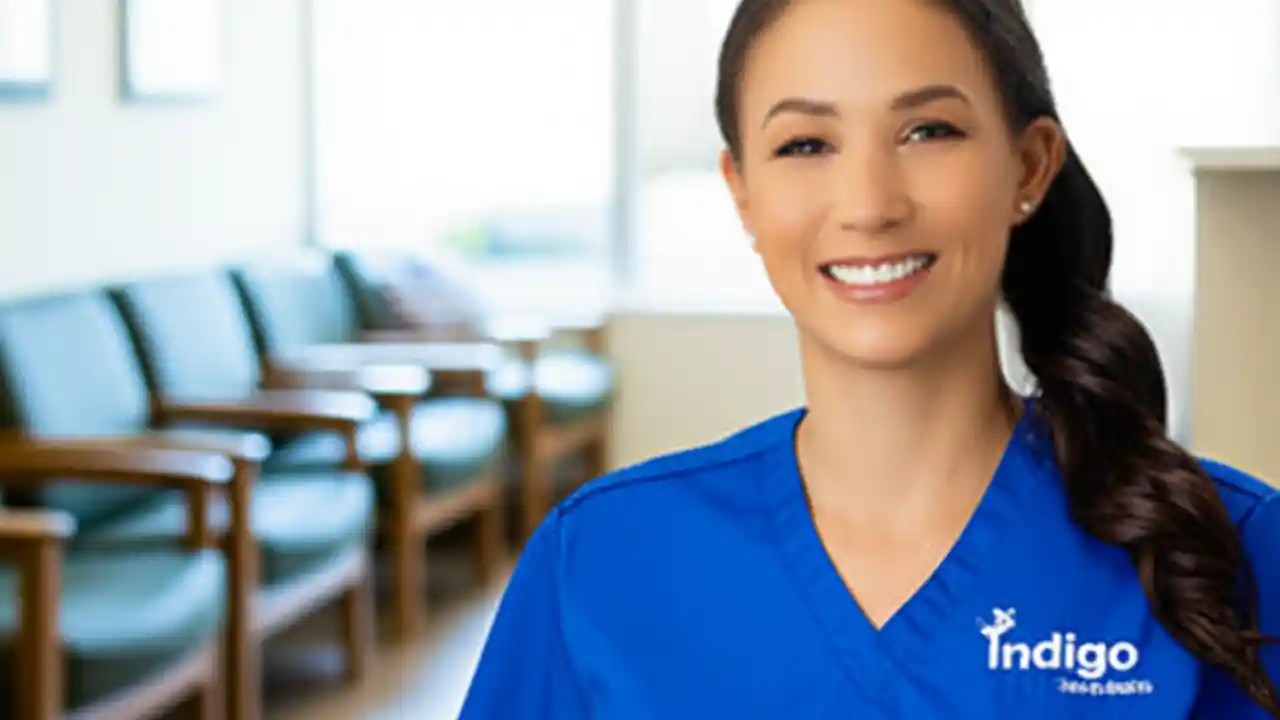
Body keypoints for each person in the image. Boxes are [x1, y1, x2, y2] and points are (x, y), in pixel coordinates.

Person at [459, 0, 1280, 716]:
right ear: (741, 190)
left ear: (1028, 166)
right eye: (806, 145)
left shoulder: (1226, 550)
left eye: (929, 131)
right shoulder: (601, 561)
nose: (870, 205)